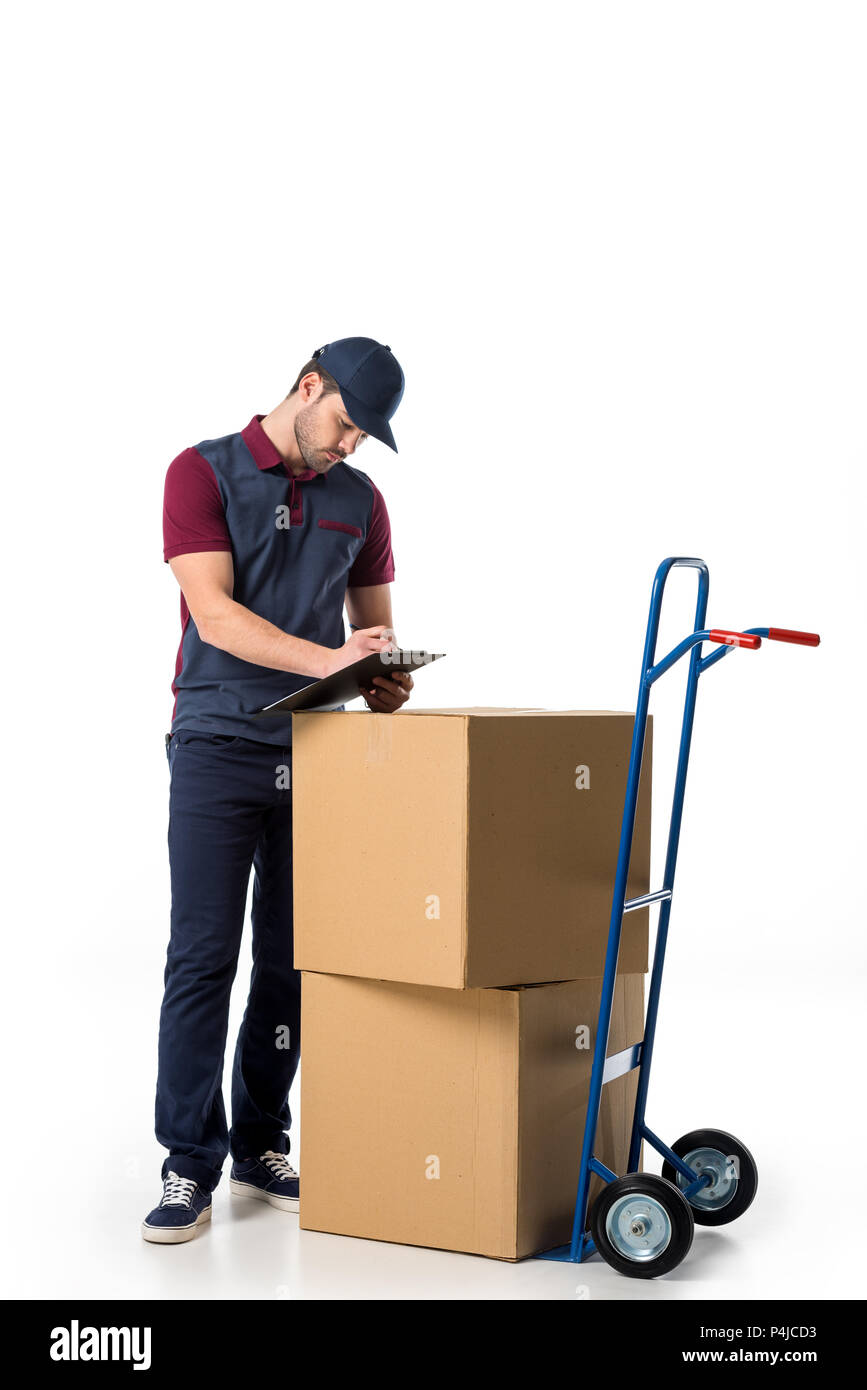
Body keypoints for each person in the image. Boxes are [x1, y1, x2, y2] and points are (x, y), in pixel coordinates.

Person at [142, 337, 412, 1243]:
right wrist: (327, 657)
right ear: (308, 387)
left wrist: (381, 670)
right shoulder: (201, 472)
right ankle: (188, 1163)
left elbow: (371, 629)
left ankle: (262, 1141)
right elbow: (212, 614)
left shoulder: (361, 502)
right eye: (344, 424)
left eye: (366, 437)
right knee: (202, 958)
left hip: (321, 750)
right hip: (218, 743)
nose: (349, 446)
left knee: (292, 960)